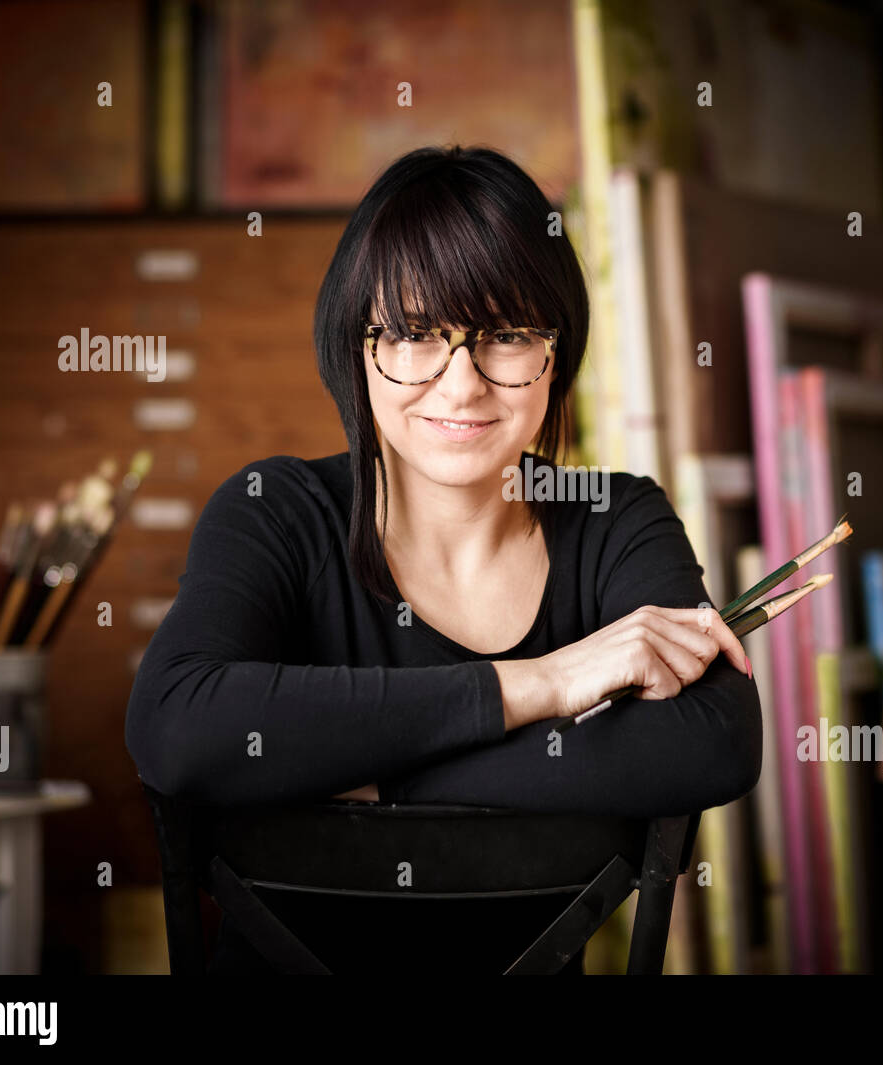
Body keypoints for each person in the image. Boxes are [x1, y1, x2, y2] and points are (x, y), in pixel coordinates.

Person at [125, 144, 762, 975]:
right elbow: (177, 725)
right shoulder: (275, 513)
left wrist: (387, 784)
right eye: (416, 334)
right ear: (356, 347)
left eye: (504, 335)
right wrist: (541, 682)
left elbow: (712, 740)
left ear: (555, 355)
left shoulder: (615, 518)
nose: (461, 385)